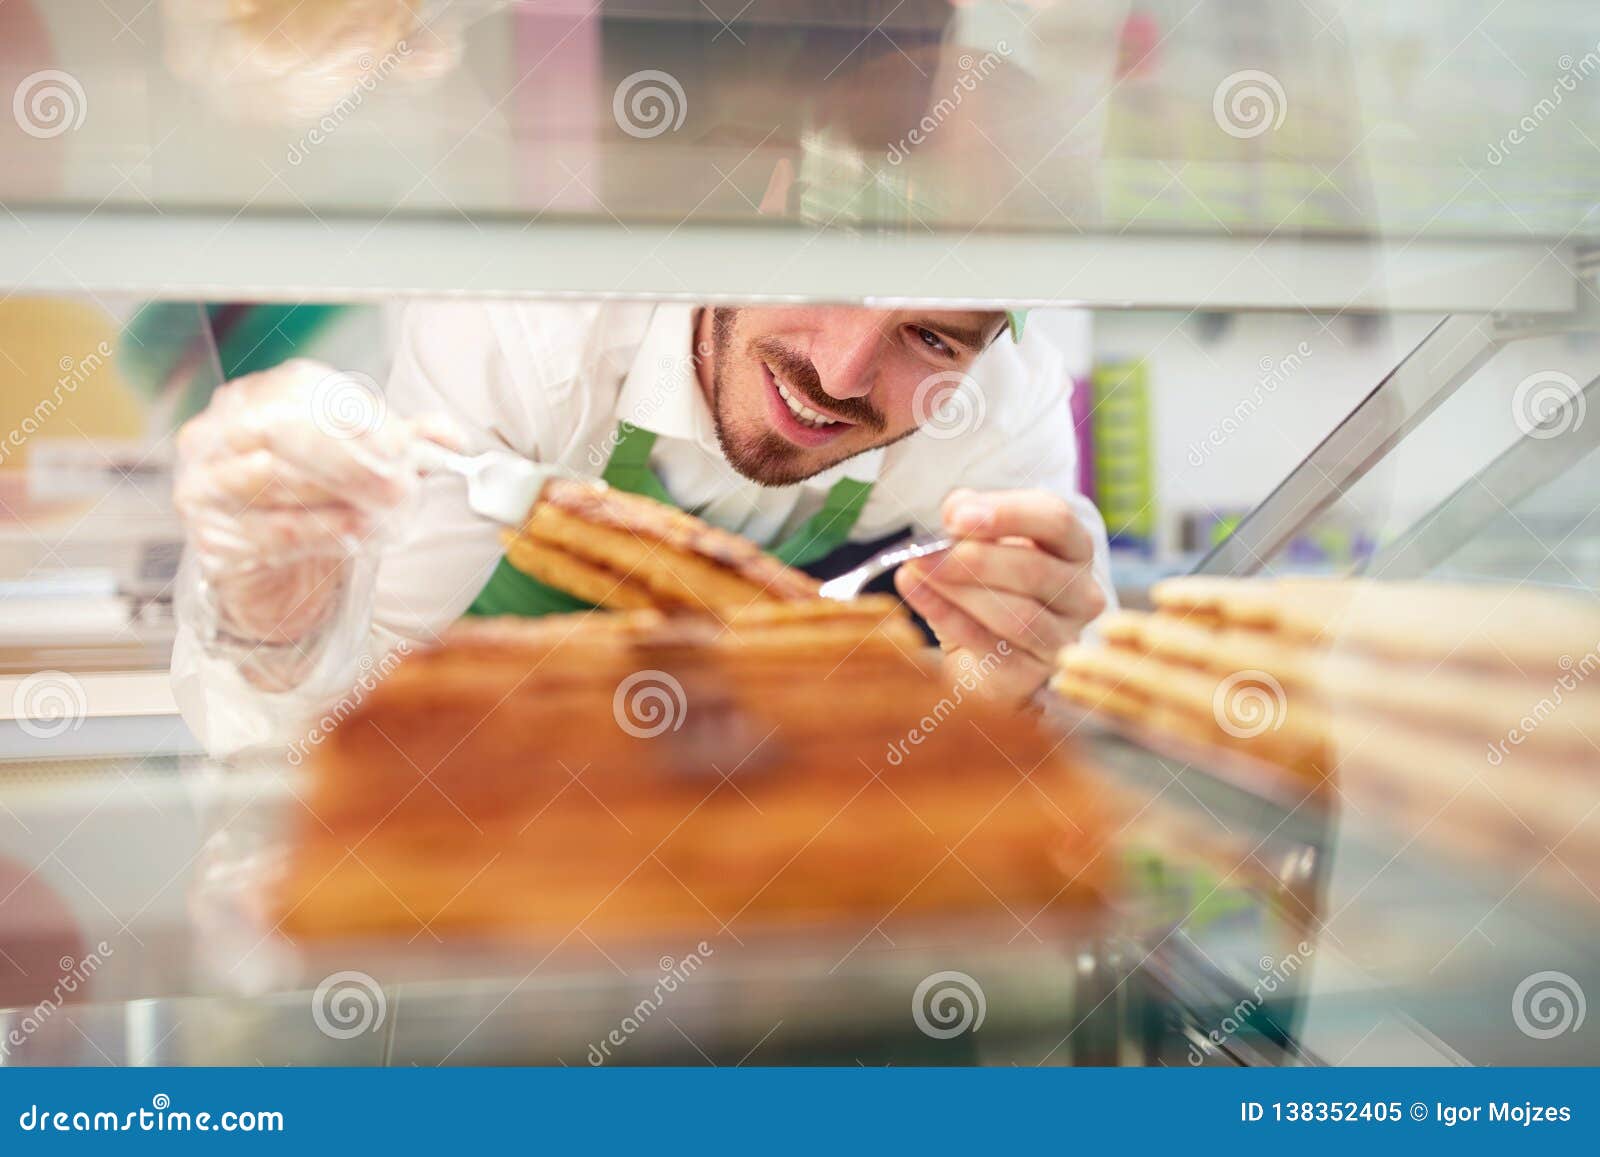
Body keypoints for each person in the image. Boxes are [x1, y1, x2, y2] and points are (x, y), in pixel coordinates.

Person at [171, 303, 1114, 753]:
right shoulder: (523, 332)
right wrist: (273, 614)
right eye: (832, 274)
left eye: (931, 337)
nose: (842, 370)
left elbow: (1036, 734)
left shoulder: (991, 413)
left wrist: (1019, 698)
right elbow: (311, 740)